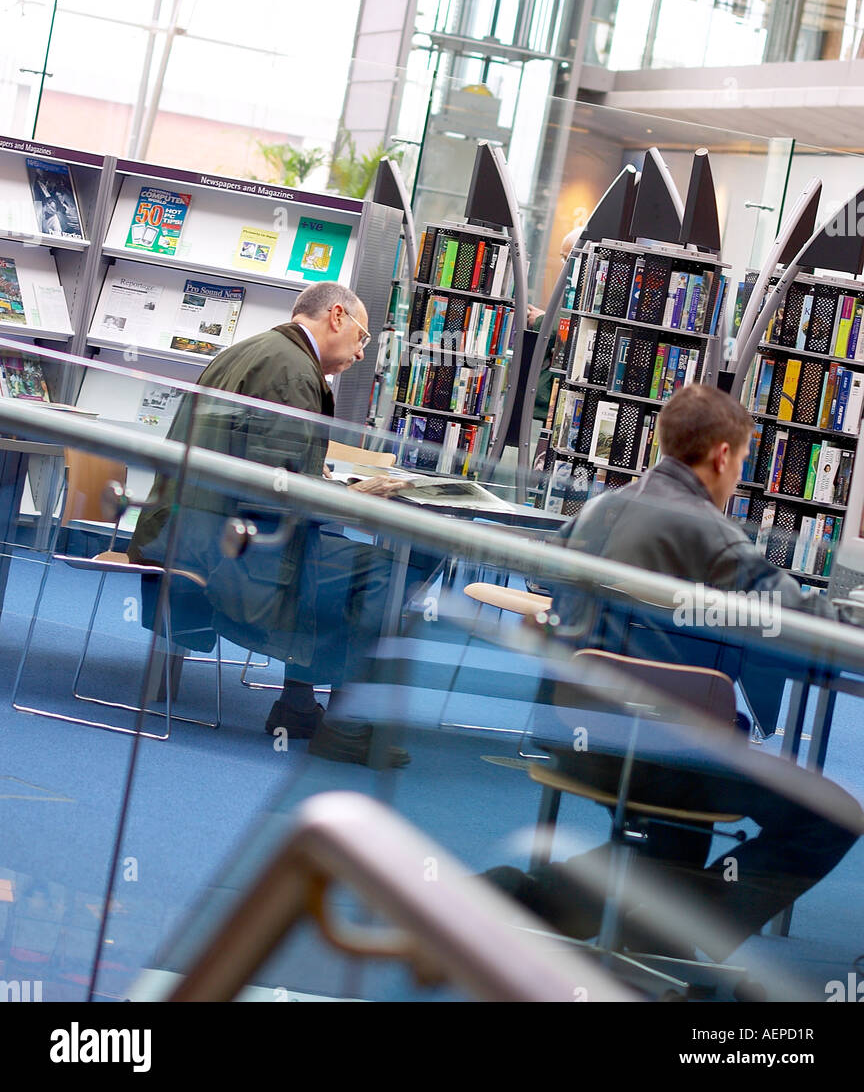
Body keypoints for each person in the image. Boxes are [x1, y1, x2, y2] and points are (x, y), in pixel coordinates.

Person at [485, 384, 864, 960]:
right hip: (659, 751)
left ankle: (528, 902)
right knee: (831, 818)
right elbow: (797, 618)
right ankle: (671, 939)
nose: (737, 479)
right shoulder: (709, 532)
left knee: (672, 836)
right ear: (720, 455)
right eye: (740, 462)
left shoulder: (600, 506)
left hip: (571, 729)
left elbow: (547, 583)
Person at [129, 281, 414, 767]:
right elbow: (275, 498)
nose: (362, 353)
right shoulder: (293, 374)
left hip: (185, 533)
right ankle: (343, 728)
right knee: (385, 571)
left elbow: (262, 466)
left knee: (335, 551)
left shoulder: (253, 351)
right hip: (230, 553)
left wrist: (314, 478)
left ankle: (298, 706)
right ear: (337, 317)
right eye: (363, 337)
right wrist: (349, 494)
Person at [527, 227, 581, 434]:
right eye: (563, 258)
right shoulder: (570, 288)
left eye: (569, 258)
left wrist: (542, 320)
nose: (564, 266)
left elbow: (574, 330)